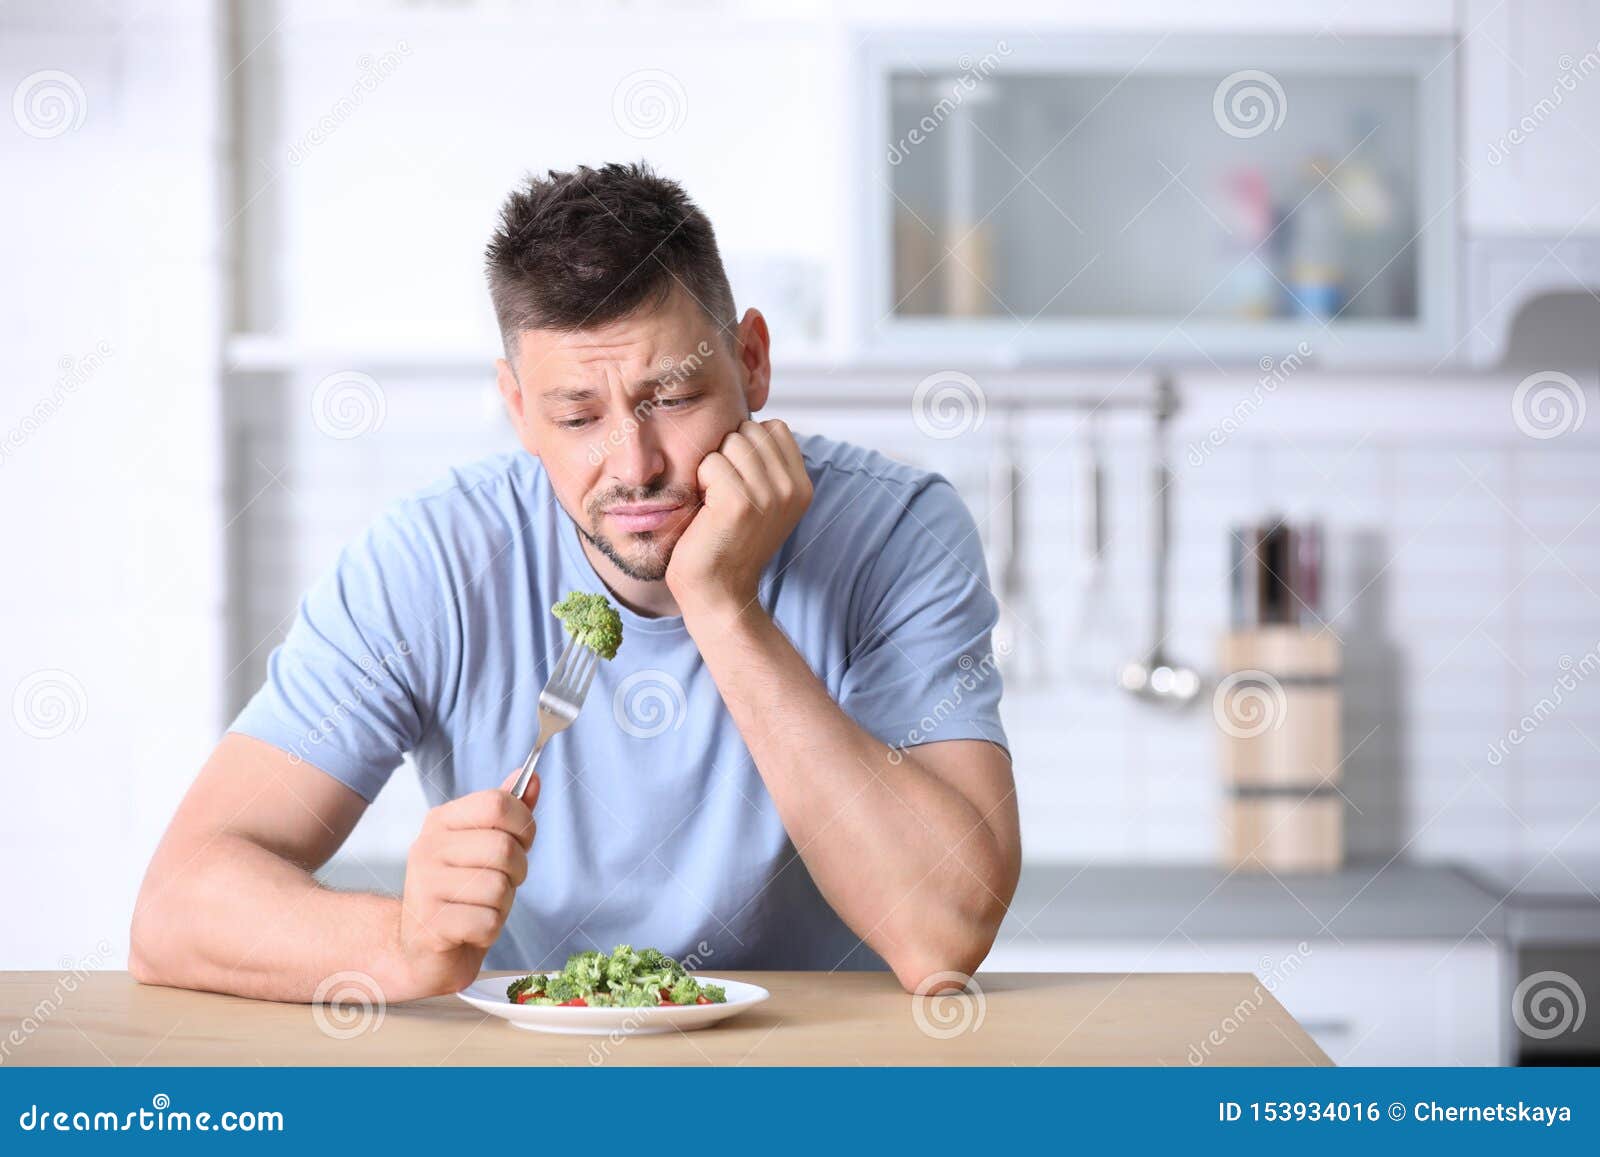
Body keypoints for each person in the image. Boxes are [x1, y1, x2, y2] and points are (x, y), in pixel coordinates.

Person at [131, 162, 1020, 1003]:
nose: (634, 466)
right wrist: (402, 940)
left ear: (751, 360)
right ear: (519, 408)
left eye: (672, 399)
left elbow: (943, 931)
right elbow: (175, 910)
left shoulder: (896, 533)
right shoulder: (432, 563)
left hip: (816, 1068)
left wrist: (724, 606)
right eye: (578, 416)